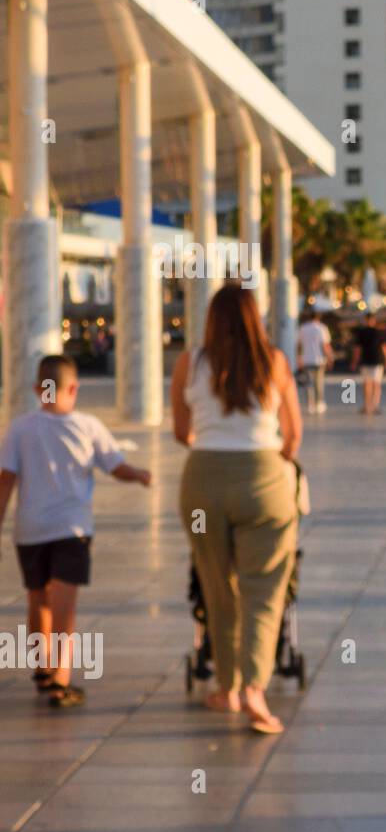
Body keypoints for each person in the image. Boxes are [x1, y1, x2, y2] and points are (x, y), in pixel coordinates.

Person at [171, 285, 301, 735]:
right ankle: (254, 692)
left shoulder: (190, 362)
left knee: (216, 586)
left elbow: (180, 431)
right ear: (256, 317)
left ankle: (226, 687)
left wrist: (214, 445)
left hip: (203, 478)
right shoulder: (276, 362)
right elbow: (294, 435)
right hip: (263, 478)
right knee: (263, 590)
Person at [0, 356, 151, 707]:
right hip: (72, 529)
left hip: (30, 530)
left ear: (39, 389)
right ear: (74, 388)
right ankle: (60, 681)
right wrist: (140, 475)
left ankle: (42, 668)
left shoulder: (20, 428)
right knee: (64, 606)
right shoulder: (88, 426)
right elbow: (116, 467)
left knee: (38, 597)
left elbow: (6, 479)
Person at [351, 312, 386, 416]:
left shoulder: (362, 332)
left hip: (369, 360)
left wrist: (354, 362)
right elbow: (385, 347)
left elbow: (357, 349)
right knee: (375, 384)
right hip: (376, 360)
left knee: (368, 384)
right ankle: (374, 405)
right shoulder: (379, 332)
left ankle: (368, 405)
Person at [296, 308, 333, 415]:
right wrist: (330, 357)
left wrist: (299, 358)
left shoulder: (303, 328)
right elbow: (325, 345)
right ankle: (319, 403)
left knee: (308, 382)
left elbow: (299, 345)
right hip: (319, 359)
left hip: (306, 358)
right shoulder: (322, 328)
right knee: (319, 382)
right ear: (318, 318)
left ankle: (310, 404)